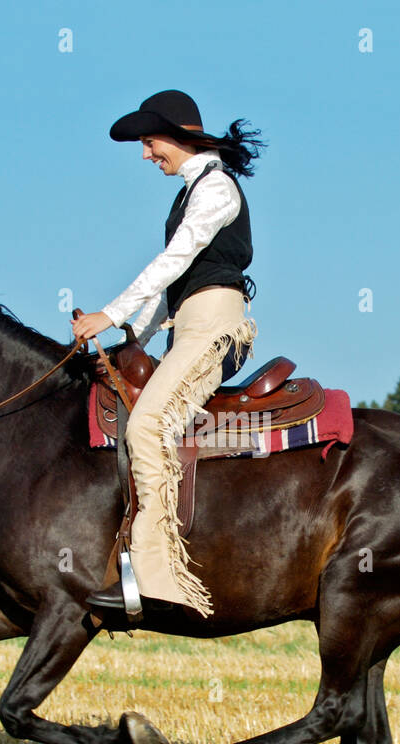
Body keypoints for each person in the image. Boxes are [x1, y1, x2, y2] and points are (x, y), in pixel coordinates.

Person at [72, 89, 265, 617]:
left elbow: (174, 260)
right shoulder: (187, 192)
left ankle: (159, 584)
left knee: (147, 426)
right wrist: (132, 339)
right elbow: (172, 291)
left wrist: (107, 314)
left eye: (149, 142)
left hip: (215, 329)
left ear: (177, 137)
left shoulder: (217, 189)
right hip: (189, 325)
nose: (144, 154)